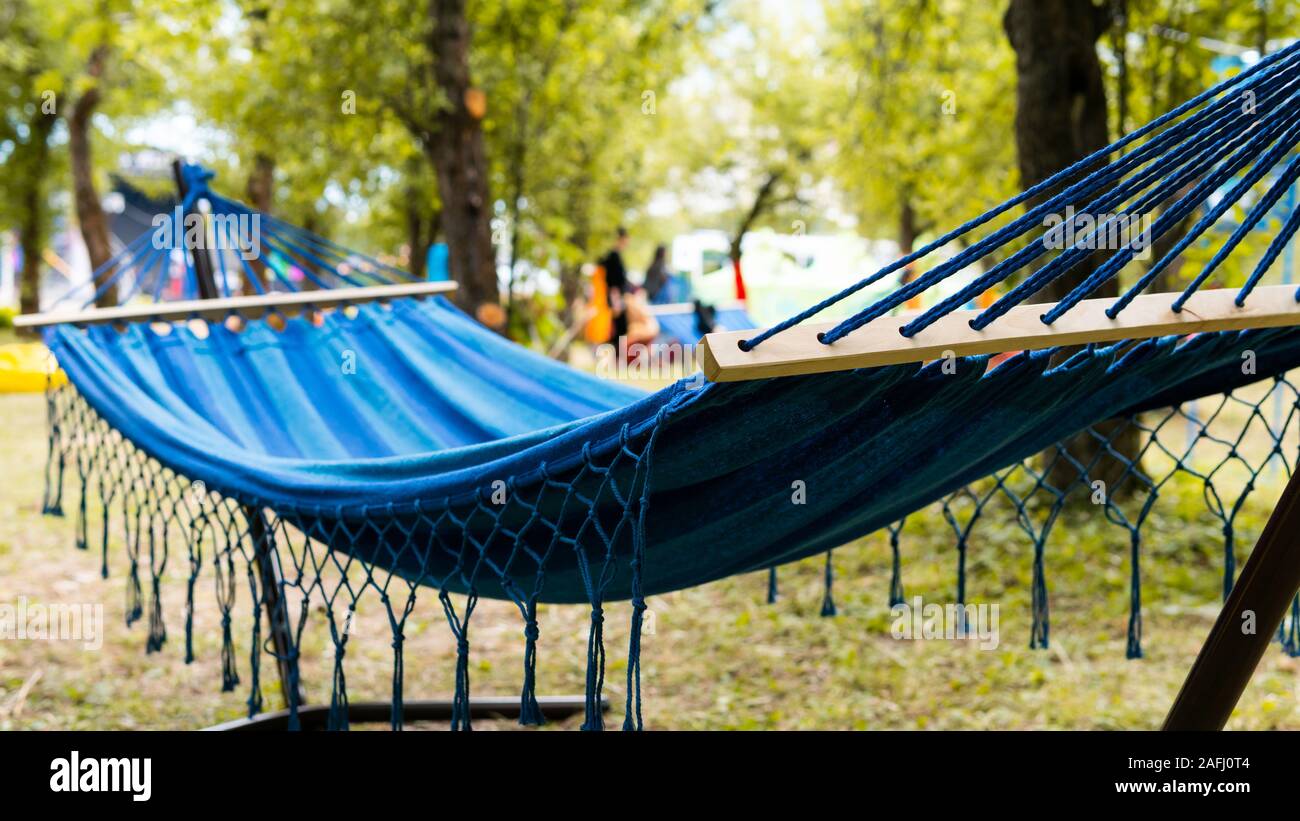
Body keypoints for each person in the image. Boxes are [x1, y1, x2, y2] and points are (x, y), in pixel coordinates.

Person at [600, 227, 630, 343]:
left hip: (617, 296)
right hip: (615, 296)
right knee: (618, 330)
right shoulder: (613, 256)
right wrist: (616, 299)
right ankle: (615, 357)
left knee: (619, 330)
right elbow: (613, 281)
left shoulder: (615, 255)